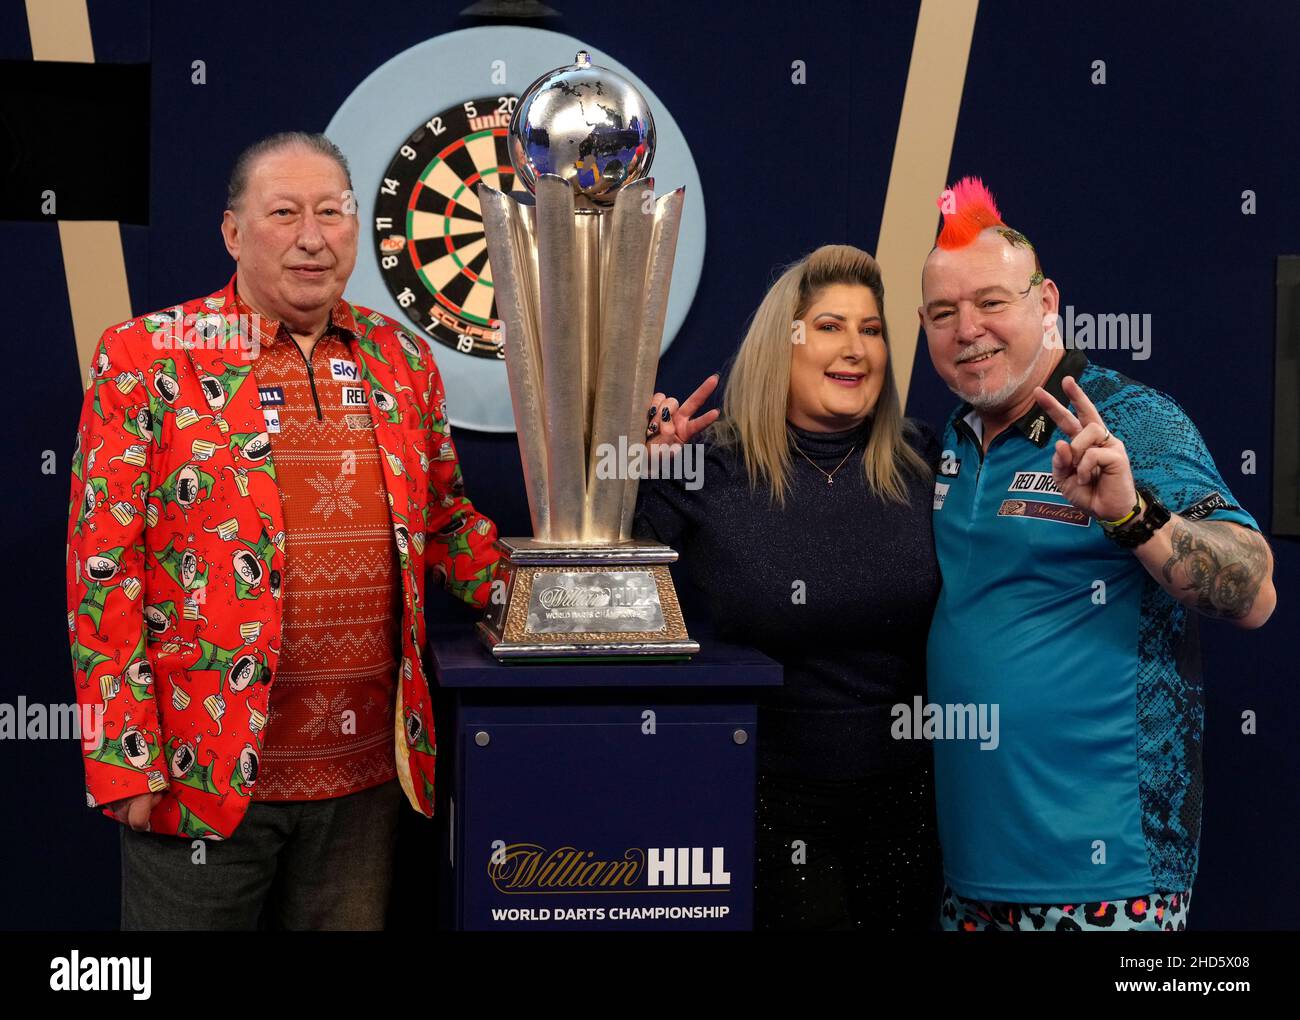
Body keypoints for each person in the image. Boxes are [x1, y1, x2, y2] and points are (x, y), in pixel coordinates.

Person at [65, 131, 500, 930]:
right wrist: (124, 757)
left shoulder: (399, 355)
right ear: (234, 233)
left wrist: (557, 593)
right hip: (201, 772)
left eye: (332, 212)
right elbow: (104, 565)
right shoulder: (146, 355)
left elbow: (443, 520)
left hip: (365, 775)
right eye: (285, 213)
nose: (312, 236)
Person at [920, 177, 1276, 931]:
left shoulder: (1131, 421)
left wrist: (1130, 514)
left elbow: (1253, 593)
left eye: (991, 302)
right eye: (943, 313)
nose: (968, 329)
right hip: (970, 884)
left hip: (1110, 883)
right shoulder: (948, 441)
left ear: (1046, 304)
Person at [635, 245, 943, 930]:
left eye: (871, 329)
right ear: (786, 344)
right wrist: (639, 476)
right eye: (830, 326)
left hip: (913, 804)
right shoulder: (709, 469)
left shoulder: (927, 462)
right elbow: (603, 589)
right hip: (762, 803)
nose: (856, 348)